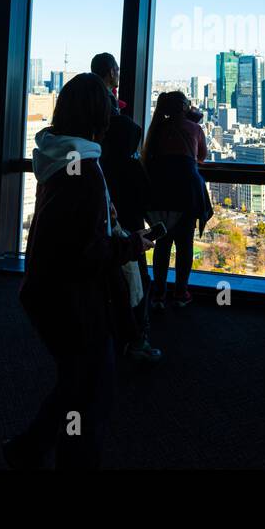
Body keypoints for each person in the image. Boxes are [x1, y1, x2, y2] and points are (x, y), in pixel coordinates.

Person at [7, 72, 156, 469]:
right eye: (109, 104)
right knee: (93, 396)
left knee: (75, 382)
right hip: (74, 301)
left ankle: (29, 449)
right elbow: (88, 251)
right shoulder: (85, 172)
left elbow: (71, 237)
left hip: (48, 292)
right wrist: (131, 245)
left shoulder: (60, 159)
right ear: (98, 115)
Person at [90, 52, 161, 364]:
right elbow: (144, 194)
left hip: (113, 220)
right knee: (134, 277)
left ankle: (115, 337)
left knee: (115, 280)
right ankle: (136, 338)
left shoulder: (92, 164)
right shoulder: (126, 165)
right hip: (124, 222)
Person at [142, 90, 210, 310]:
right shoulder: (195, 128)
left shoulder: (157, 129)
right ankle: (180, 293)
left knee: (162, 243)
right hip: (187, 192)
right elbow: (202, 156)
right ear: (184, 107)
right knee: (184, 244)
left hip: (161, 191)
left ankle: (158, 295)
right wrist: (192, 119)